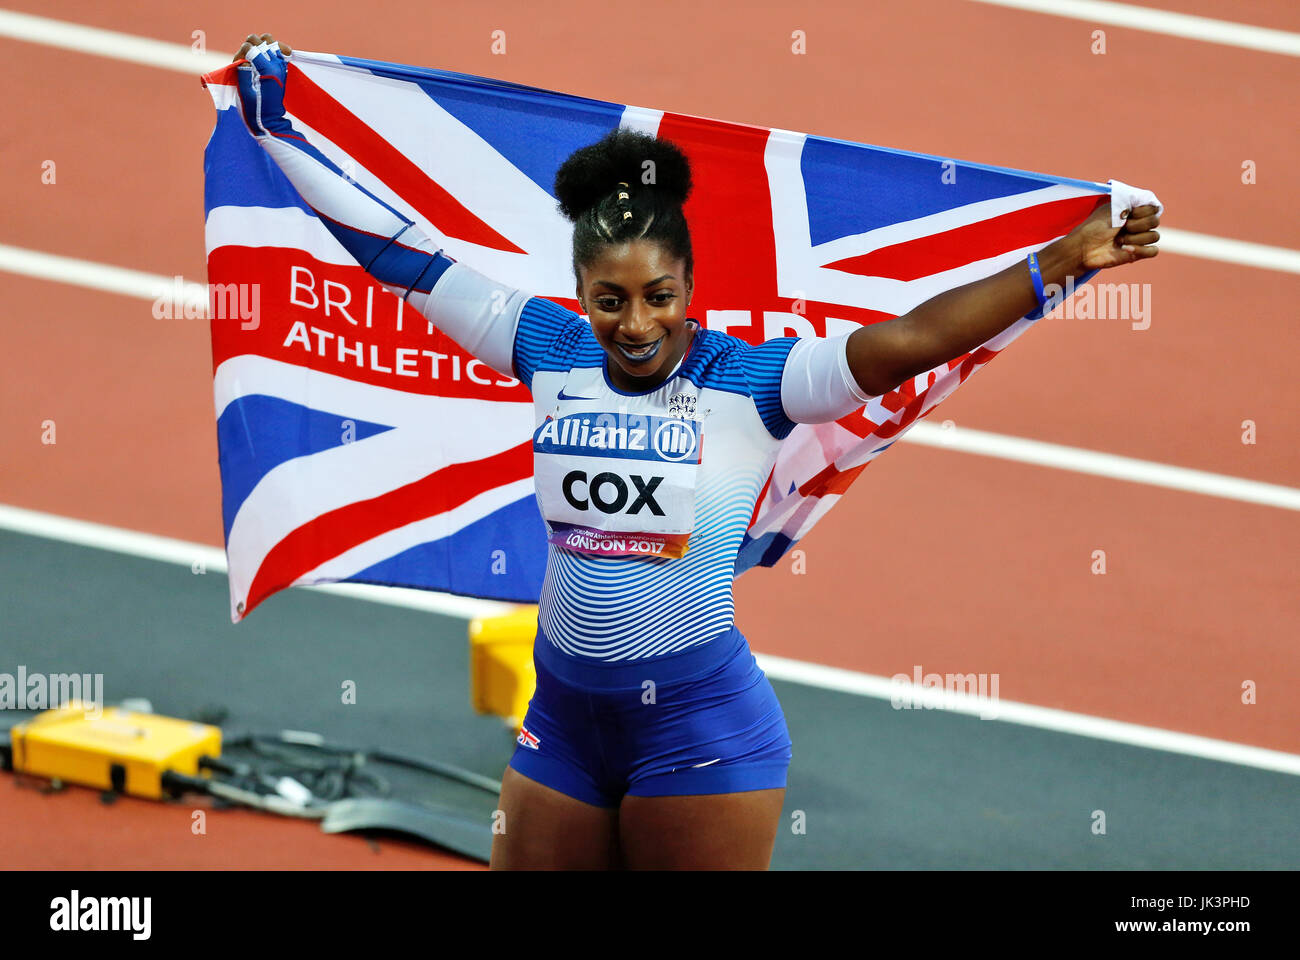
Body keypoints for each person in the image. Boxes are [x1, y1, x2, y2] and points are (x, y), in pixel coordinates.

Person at [229, 35, 1161, 870]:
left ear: (689, 285)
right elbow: (395, 254)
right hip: (561, 718)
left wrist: (1060, 261)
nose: (637, 325)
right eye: (610, 300)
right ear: (580, 293)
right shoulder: (543, 346)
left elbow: (913, 340)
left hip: (698, 731)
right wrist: (276, 131)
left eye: (660, 296)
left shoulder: (759, 383)